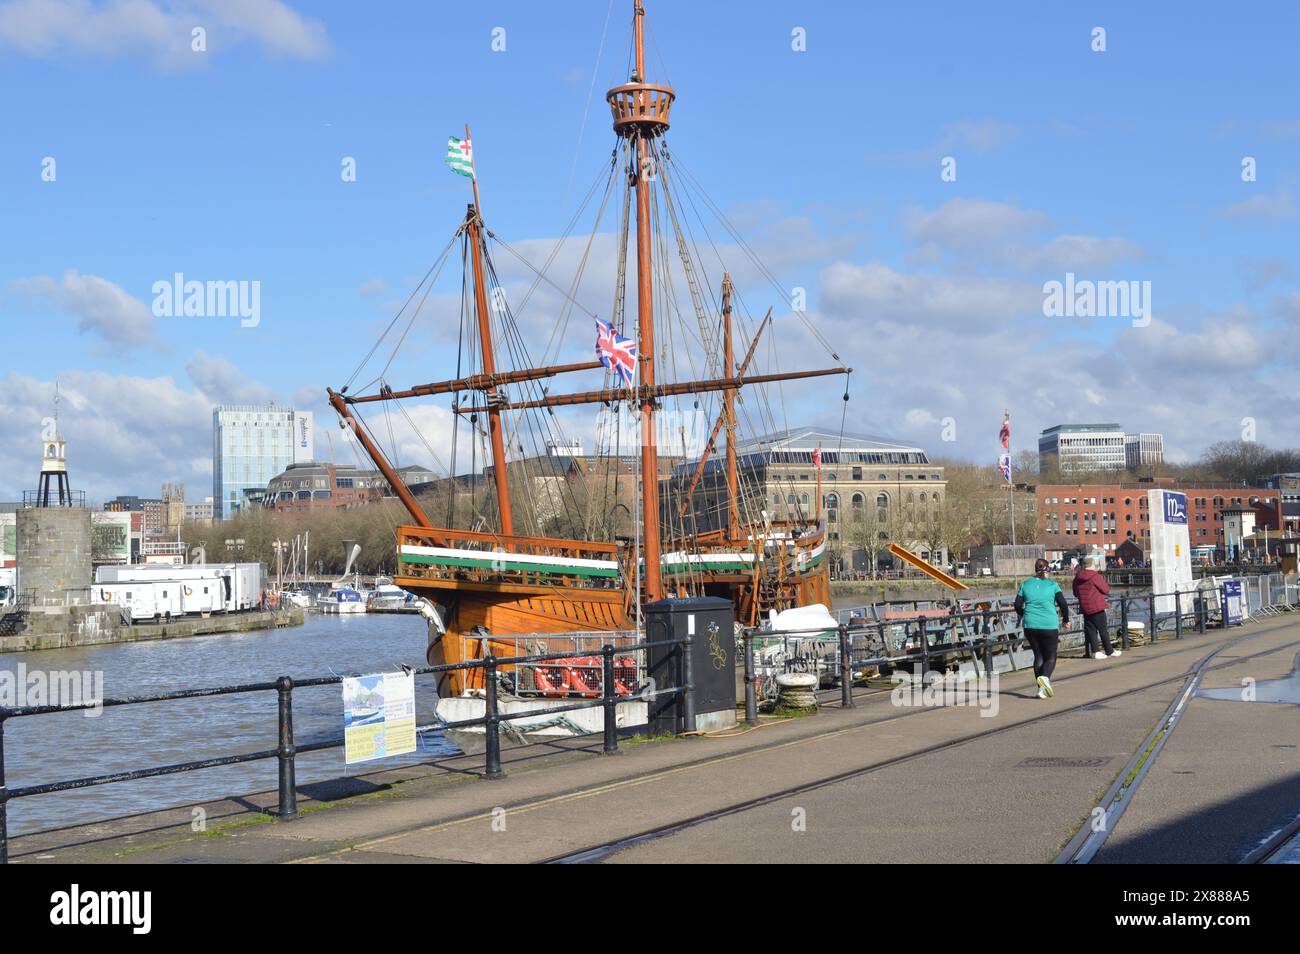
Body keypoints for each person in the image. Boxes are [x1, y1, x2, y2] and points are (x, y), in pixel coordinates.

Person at [1015, 558, 1069, 699]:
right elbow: (1063, 604)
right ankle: (1045, 678)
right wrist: (1066, 620)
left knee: (1038, 656)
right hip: (1048, 624)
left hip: (1030, 625)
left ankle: (1041, 690)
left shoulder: (1025, 584)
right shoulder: (1053, 585)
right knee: (1050, 656)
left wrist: (1023, 614)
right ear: (1046, 571)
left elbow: (1017, 604)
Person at [1073, 555, 1119, 659]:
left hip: (1085, 607)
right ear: (1092, 564)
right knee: (1103, 630)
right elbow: (1106, 590)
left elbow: (1075, 593)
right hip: (1097, 606)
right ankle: (1109, 651)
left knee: (1091, 630)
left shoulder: (1077, 577)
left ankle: (1095, 652)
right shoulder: (1095, 576)